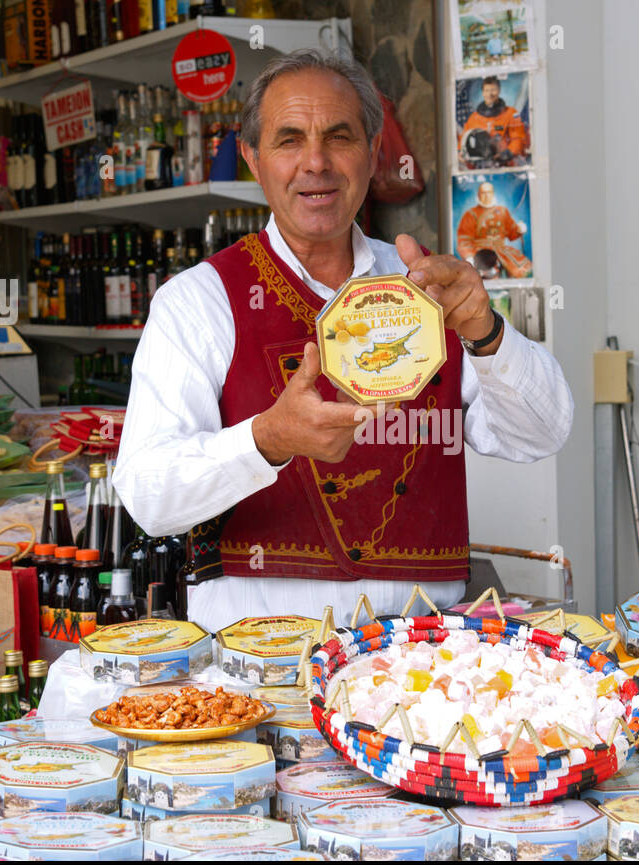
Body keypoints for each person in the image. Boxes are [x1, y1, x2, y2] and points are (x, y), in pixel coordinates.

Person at [112, 51, 571, 631]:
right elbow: (149, 498)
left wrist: (485, 330)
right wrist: (267, 440)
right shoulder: (200, 301)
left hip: (422, 666)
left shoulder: (429, 287)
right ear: (254, 159)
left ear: (373, 152)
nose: (316, 163)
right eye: (288, 140)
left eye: (339, 136)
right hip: (264, 671)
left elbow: (543, 432)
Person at [455, 181, 532, 278]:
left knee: (521, 270)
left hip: (502, 251)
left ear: (492, 194)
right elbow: (464, 240)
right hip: (482, 253)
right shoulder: (470, 214)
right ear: (478, 195)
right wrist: (470, 257)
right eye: (483, 193)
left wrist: (519, 230)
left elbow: (511, 233)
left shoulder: (502, 211)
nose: (486, 196)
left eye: (489, 192)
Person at [458, 76, 529, 168]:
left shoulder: (511, 114)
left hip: (505, 164)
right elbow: (464, 139)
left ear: (499, 91)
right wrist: (460, 152)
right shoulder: (474, 118)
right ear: (483, 93)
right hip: (479, 166)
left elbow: (518, 139)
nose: (489, 94)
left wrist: (507, 154)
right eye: (487, 90)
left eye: (493, 90)